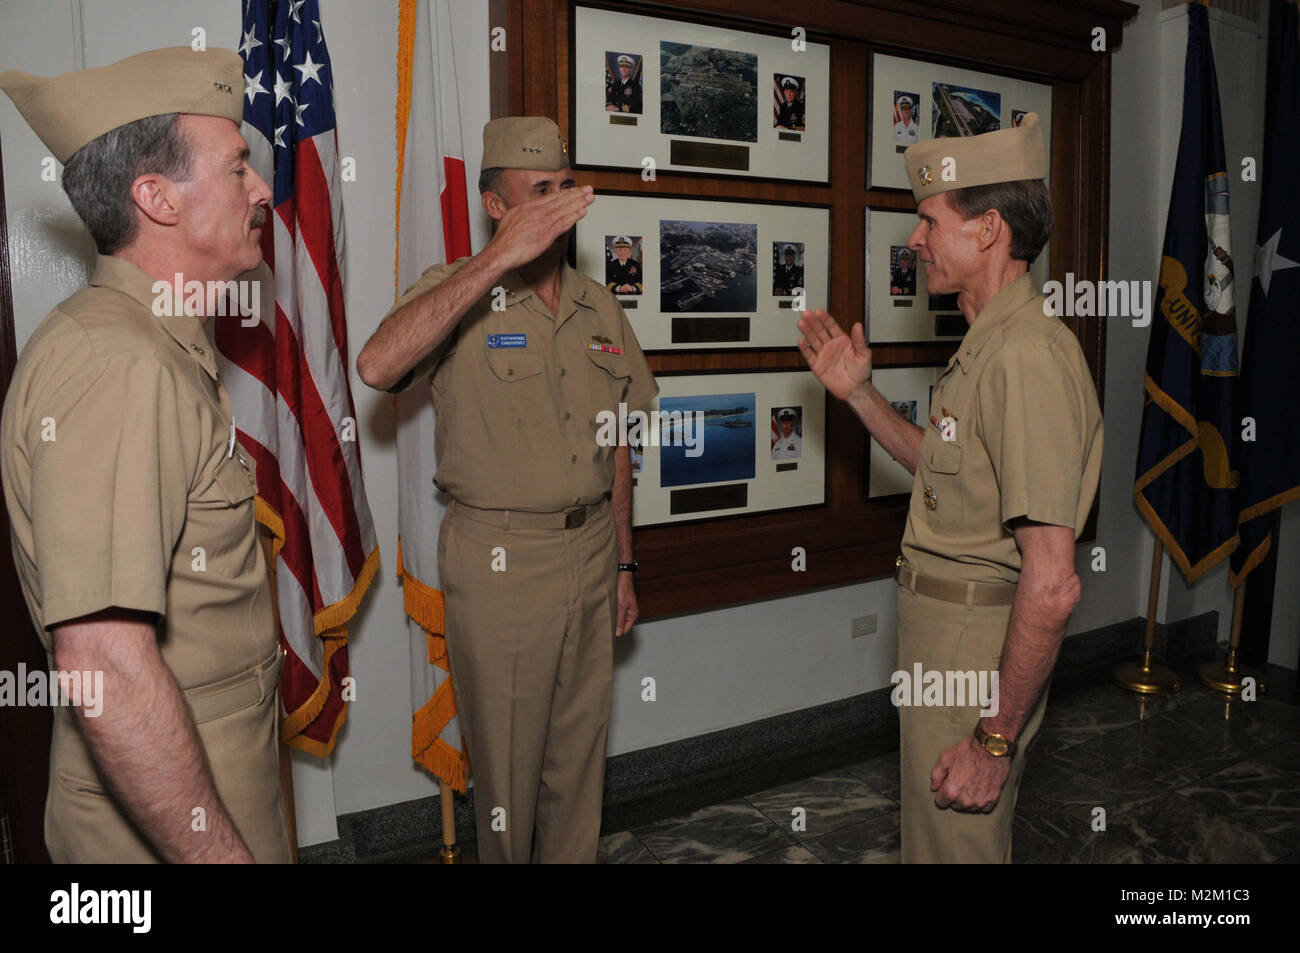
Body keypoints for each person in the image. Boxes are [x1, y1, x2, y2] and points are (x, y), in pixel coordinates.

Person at [0, 48, 290, 863]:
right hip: (169, 826)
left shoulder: (152, 347)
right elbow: (105, 662)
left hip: (200, 786)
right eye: (238, 169)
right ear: (156, 198)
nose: (263, 190)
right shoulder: (120, 366)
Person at [797, 113, 1103, 864]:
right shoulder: (990, 344)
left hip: (977, 657)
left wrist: (993, 738)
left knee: (953, 845)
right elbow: (945, 469)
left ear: (989, 228)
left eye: (929, 219)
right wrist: (862, 396)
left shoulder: (1024, 358)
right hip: (951, 645)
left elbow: (1054, 579)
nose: (915, 239)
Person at [357, 117, 658, 864]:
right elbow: (378, 365)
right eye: (537, 194)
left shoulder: (597, 304)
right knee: (506, 785)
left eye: (563, 187)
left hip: (590, 554)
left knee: (577, 770)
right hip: (500, 561)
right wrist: (496, 261)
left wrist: (623, 562)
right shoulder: (460, 292)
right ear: (495, 204)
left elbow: (616, 438)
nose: (557, 206)